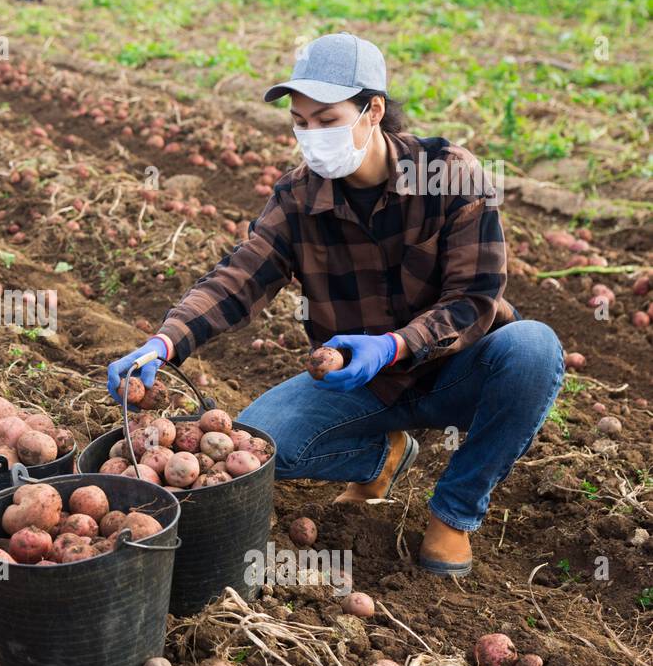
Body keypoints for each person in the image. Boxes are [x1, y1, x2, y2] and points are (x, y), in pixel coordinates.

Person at [107, 33, 563, 578]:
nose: (310, 136)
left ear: (373, 110)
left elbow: (474, 296)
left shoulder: (449, 174)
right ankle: (383, 455)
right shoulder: (298, 198)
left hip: (457, 371)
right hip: (360, 381)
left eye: (326, 120)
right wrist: (166, 340)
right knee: (258, 451)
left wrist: (396, 344)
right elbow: (240, 277)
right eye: (299, 122)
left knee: (534, 349)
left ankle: (455, 513)